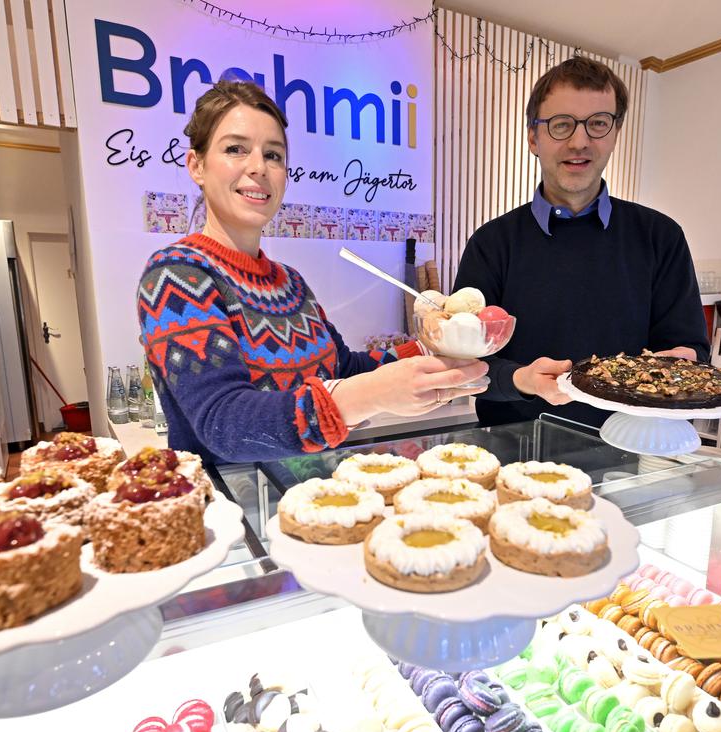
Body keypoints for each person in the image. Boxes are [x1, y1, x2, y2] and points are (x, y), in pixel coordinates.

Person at [137, 81, 486, 464]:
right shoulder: (176, 276)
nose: (258, 167)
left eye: (273, 155)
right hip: (229, 500)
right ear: (196, 165)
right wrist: (370, 395)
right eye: (235, 149)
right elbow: (226, 425)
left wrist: (433, 346)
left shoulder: (291, 283)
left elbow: (343, 368)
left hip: (315, 492)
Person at [453, 56, 709, 428]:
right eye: (561, 125)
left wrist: (683, 363)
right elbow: (466, 366)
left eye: (598, 124)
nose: (579, 141)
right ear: (533, 138)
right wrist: (521, 379)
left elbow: (691, 349)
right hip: (512, 449)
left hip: (629, 448)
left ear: (615, 134)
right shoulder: (491, 244)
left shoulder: (661, 237)